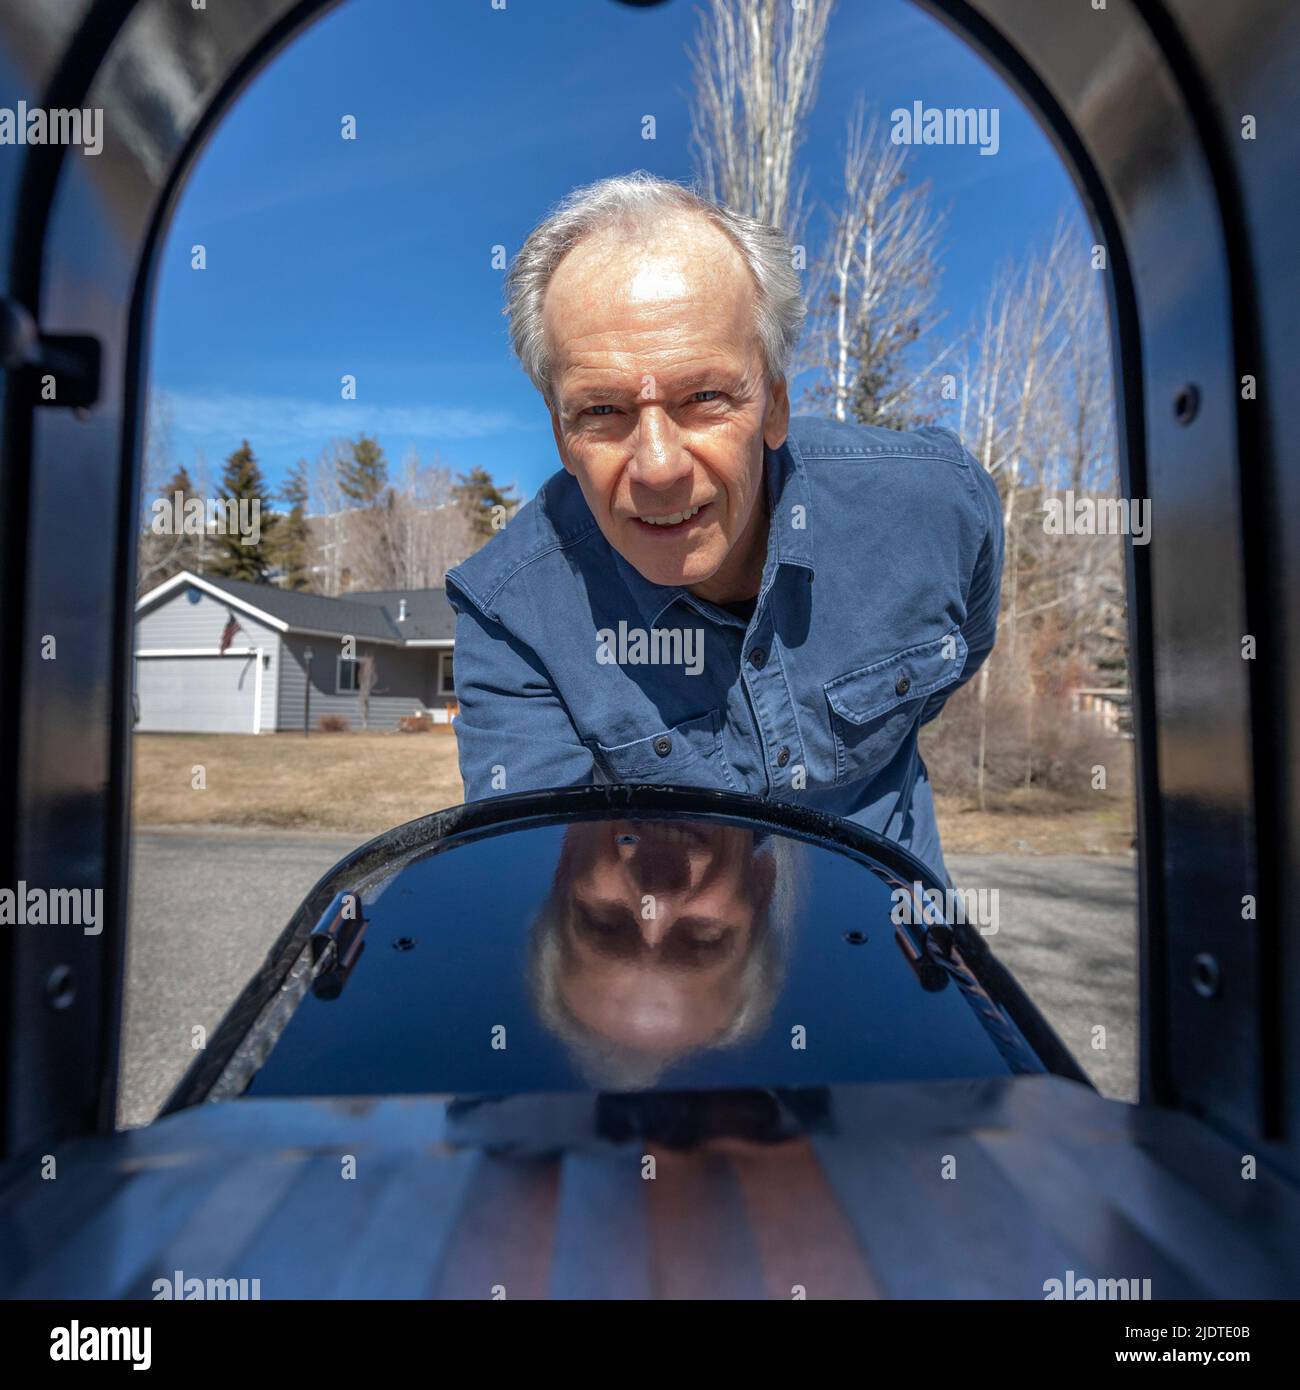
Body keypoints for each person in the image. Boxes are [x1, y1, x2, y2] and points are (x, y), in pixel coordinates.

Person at [444, 172, 1003, 885]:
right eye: (602, 411)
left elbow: (961, 653)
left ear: (773, 405)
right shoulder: (510, 615)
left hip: (898, 951)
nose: (656, 467)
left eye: (704, 397)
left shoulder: (933, 505)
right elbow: (534, 877)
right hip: (666, 977)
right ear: (560, 435)